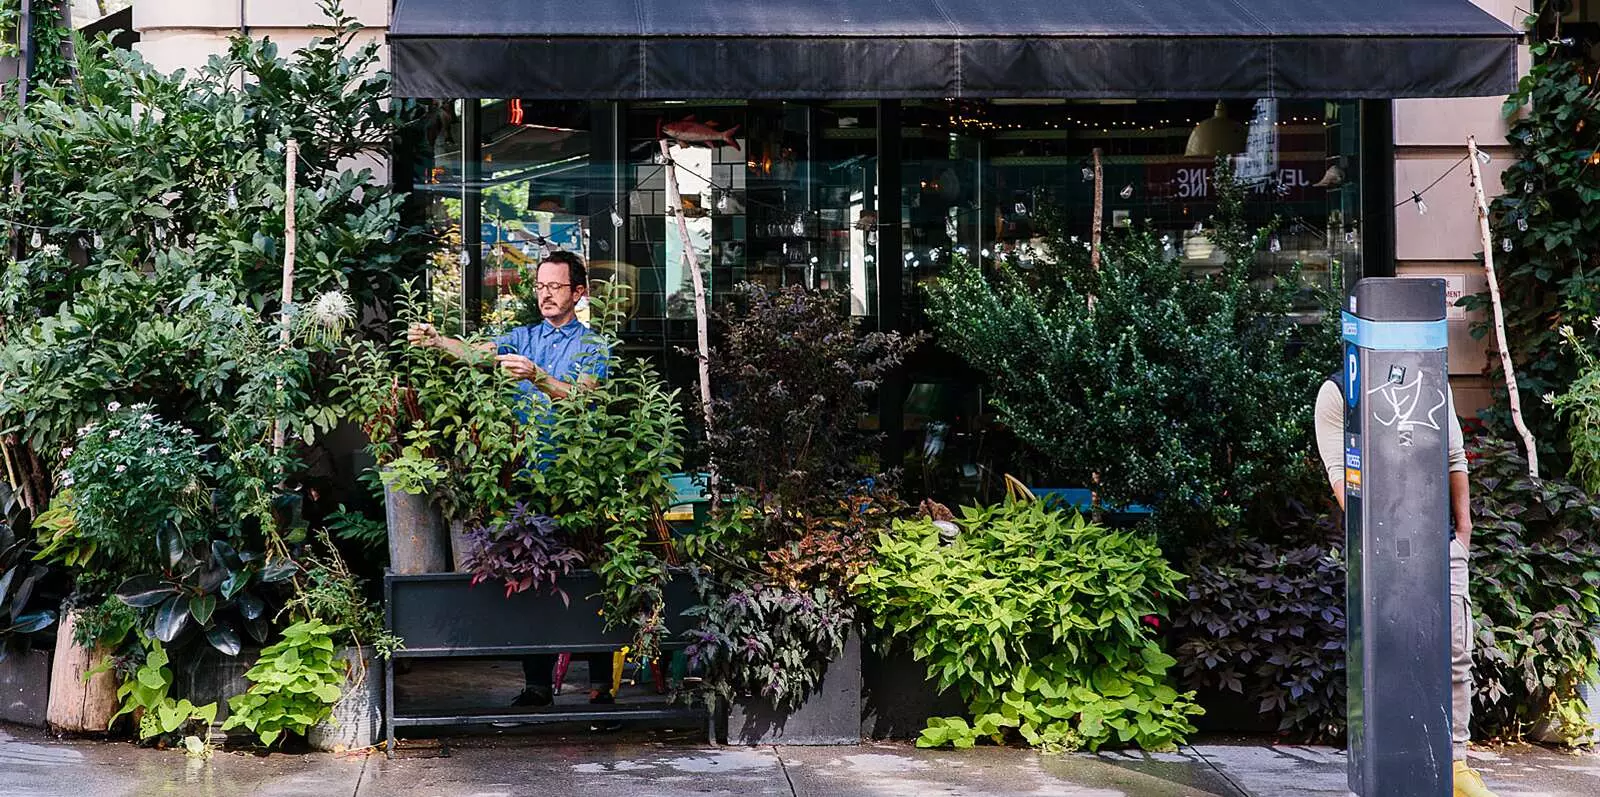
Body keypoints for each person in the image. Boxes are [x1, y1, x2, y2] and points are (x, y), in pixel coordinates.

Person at [408, 250, 616, 711]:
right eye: (540, 286)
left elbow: (584, 401)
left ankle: (600, 689)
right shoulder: (521, 338)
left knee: (588, 580)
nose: (544, 294)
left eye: (555, 287)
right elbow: (477, 353)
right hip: (522, 478)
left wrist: (540, 377)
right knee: (529, 579)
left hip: (577, 480)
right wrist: (438, 341)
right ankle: (537, 684)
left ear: (578, 293)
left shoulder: (594, 347)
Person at [1313, 377, 1498, 797]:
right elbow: (1342, 476)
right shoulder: (1340, 392)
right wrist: (1376, 535)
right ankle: (1395, 764)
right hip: (1382, 549)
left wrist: (1463, 533)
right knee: (1391, 653)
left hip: (1441, 543)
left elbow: (1454, 457)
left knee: (1454, 651)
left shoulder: (1432, 378)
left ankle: (1456, 765)